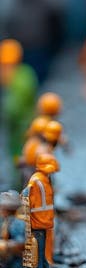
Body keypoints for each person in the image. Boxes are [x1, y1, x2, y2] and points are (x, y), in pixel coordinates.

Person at [0, 39, 38, 179]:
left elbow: (13, 109)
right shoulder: (25, 73)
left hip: (22, 126)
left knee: (21, 156)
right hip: (18, 127)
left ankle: (22, 186)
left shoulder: (20, 79)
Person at [23, 152, 59, 268]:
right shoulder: (36, 181)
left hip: (43, 223)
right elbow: (25, 200)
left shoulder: (44, 179)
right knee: (37, 253)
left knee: (41, 252)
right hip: (37, 224)